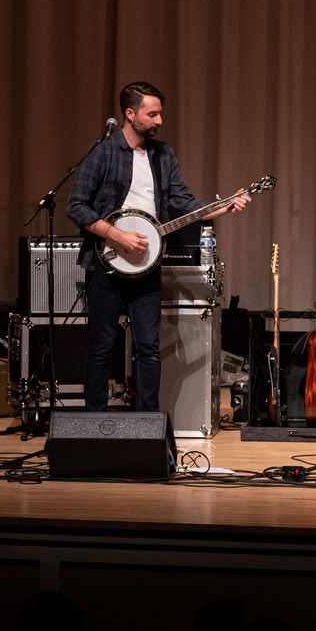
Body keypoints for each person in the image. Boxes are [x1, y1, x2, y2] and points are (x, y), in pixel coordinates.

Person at [68, 81, 249, 411]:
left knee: (148, 347)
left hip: (147, 266)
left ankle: (146, 425)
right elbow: (77, 205)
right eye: (152, 114)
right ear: (130, 113)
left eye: (160, 113)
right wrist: (115, 235)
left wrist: (222, 206)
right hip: (106, 265)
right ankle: (92, 424)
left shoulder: (162, 155)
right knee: (101, 346)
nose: (159, 120)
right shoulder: (104, 152)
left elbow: (182, 200)